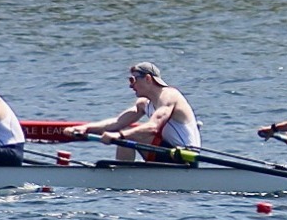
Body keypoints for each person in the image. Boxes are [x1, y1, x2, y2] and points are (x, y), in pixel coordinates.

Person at [63, 62, 201, 162]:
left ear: (148, 78)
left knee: (129, 134)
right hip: (169, 153)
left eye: (133, 80)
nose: (130, 85)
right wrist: (85, 128)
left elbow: (152, 127)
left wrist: (120, 136)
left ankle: (122, 177)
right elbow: (117, 123)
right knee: (127, 130)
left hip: (185, 156)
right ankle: (123, 174)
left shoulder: (169, 95)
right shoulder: (143, 104)